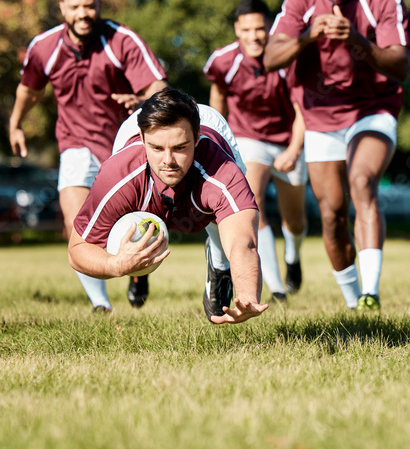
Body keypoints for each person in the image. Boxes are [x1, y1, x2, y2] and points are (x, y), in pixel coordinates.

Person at [264, 0, 410, 311]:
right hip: (320, 117)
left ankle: (370, 293)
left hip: (372, 110)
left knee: (361, 181)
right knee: (330, 213)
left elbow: (400, 65)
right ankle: (351, 302)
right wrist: (308, 35)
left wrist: (359, 41)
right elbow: (270, 56)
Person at [9, 0, 168, 313]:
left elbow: (158, 88)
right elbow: (30, 89)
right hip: (75, 144)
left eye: (90, 6)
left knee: (131, 220)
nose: (83, 13)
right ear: (62, 8)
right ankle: (101, 303)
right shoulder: (44, 47)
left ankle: (138, 272)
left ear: (99, 5)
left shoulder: (121, 39)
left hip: (122, 144)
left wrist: (142, 101)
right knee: (76, 222)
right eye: (76, 7)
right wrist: (15, 123)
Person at [69, 87, 268, 324]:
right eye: (156, 148)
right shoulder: (119, 173)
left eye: (180, 148)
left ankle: (219, 264)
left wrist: (246, 296)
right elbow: (77, 248)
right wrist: (116, 265)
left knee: (221, 221)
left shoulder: (223, 170)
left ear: (196, 138)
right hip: (136, 165)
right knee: (131, 220)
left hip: (212, 136)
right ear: (142, 139)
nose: (168, 161)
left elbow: (244, 242)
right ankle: (138, 273)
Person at [203, 0, 308, 301]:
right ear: (237, 29)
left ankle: (293, 255)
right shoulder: (224, 60)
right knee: (254, 203)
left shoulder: (287, 58)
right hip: (248, 139)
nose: (253, 36)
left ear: (270, 28)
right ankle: (276, 287)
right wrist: (216, 144)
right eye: (246, 29)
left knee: (296, 219)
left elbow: (304, 111)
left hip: (288, 140)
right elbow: (217, 103)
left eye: (260, 29)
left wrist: (294, 148)